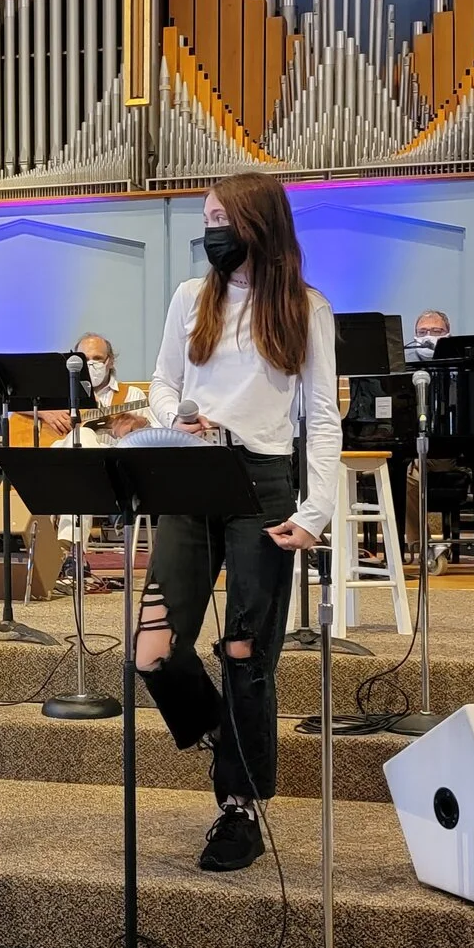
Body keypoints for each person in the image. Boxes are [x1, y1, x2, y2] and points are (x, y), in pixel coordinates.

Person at [138, 172, 342, 873]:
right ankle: (230, 740)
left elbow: (320, 415)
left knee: (245, 654)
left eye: (221, 216)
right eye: (207, 217)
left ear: (255, 223)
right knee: (153, 650)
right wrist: (178, 418)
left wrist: (315, 510)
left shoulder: (305, 308)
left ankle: (239, 808)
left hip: (262, 484)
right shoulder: (188, 299)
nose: (210, 228)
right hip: (191, 474)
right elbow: (162, 384)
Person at [34, 332, 149, 444]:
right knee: (83, 434)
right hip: (61, 458)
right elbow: (20, 400)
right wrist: (45, 413)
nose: (90, 364)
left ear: (111, 361)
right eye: (85, 359)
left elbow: (152, 435)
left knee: (84, 434)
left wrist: (138, 425)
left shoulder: (133, 395)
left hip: (112, 460)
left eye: (97, 358)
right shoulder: (61, 392)